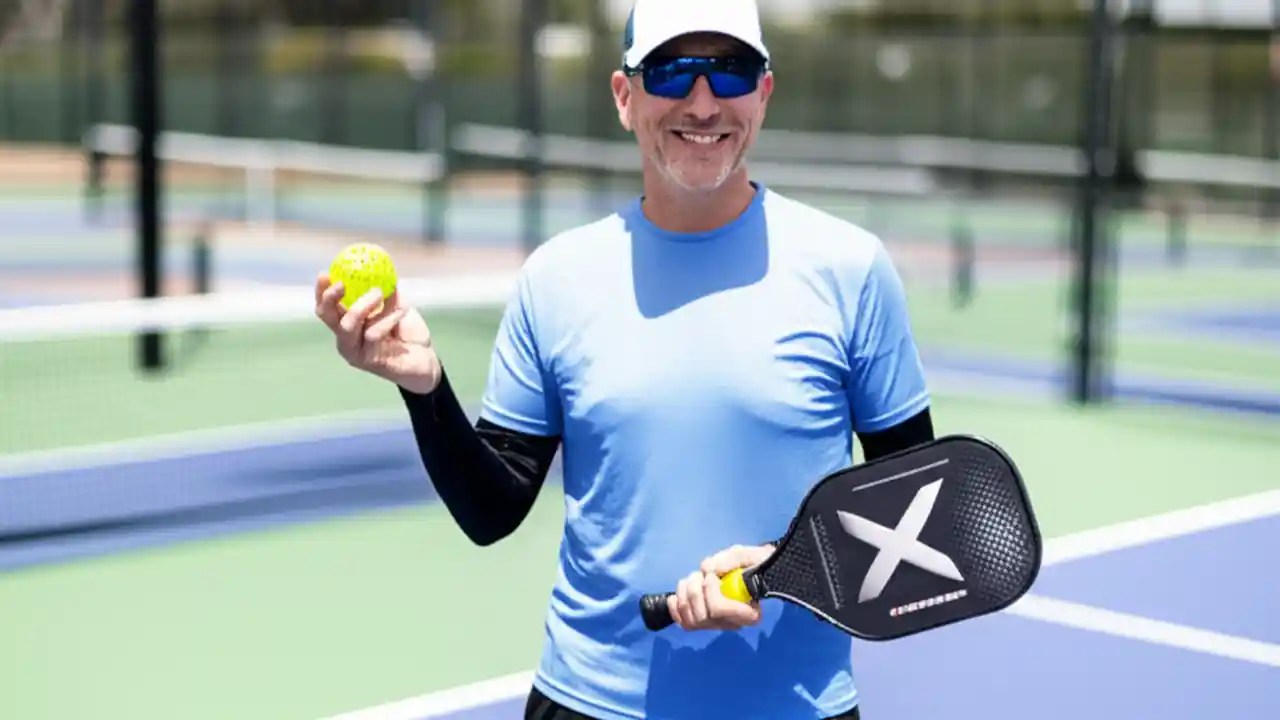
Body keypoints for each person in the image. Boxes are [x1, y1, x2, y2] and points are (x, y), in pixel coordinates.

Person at [314, 0, 934, 717]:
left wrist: (784, 567)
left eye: (731, 73)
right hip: (586, 702)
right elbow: (492, 511)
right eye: (674, 71)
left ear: (763, 95)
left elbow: (918, 515)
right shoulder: (556, 277)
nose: (703, 101)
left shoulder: (851, 268)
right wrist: (426, 388)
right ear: (624, 96)